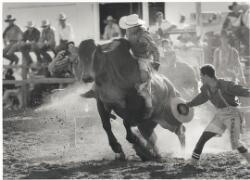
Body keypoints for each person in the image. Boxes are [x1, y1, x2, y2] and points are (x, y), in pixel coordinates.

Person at [184, 64, 250, 168]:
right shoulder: (206, 88)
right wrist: (189, 104)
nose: (200, 78)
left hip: (232, 114)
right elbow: (201, 98)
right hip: (219, 115)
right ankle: (193, 164)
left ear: (206, 76)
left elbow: (243, 91)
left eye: (201, 76)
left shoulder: (226, 85)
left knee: (236, 143)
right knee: (203, 138)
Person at [119, 14, 160, 118]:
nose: (128, 28)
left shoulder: (144, 34)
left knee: (143, 75)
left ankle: (149, 106)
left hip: (144, 58)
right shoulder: (128, 33)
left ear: (136, 26)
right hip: (132, 57)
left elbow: (154, 48)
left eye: (130, 25)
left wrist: (156, 63)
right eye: (128, 26)